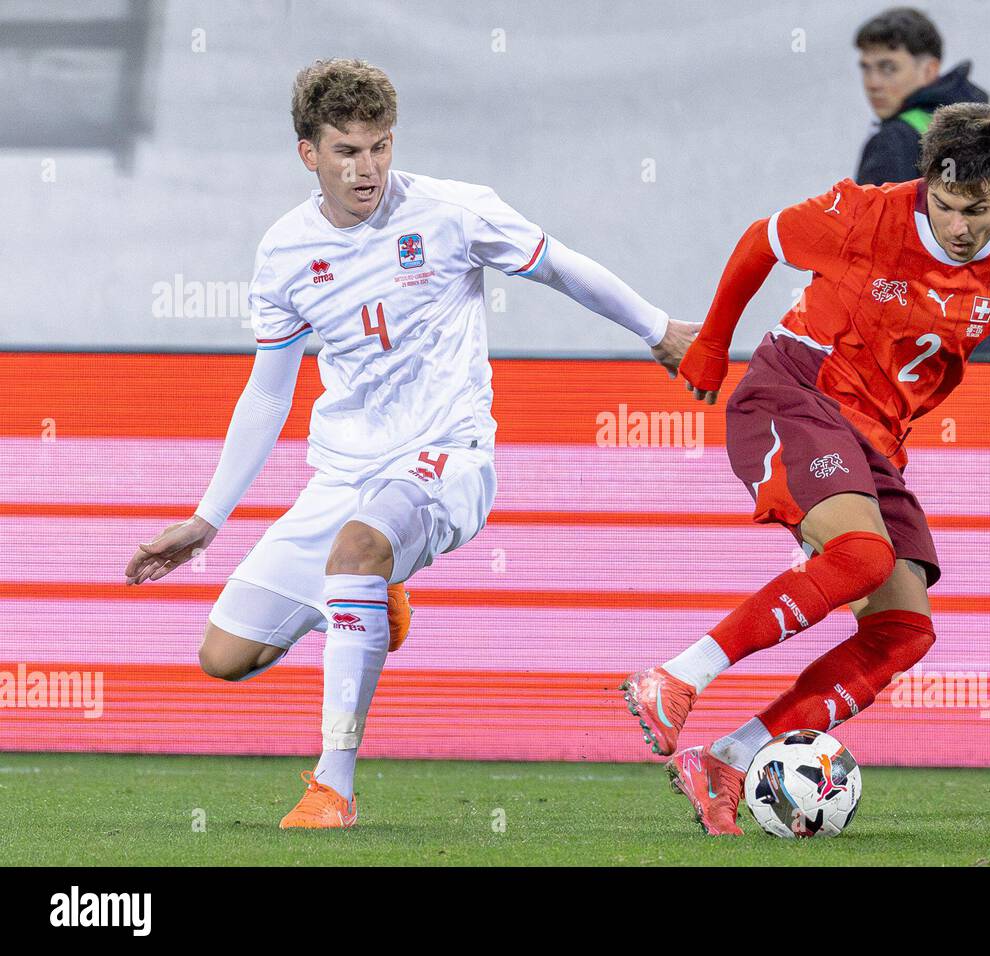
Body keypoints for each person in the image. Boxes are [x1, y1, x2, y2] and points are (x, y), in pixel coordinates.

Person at [123, 58, 695, 829]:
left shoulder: (453, 211)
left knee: (358, 548)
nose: (368, 169)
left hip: (448, 456)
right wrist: (208, 519)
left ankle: (334, 785)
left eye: (380, 146)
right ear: (308, 154)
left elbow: (558, 265)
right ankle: (373, 595)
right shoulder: (284, 251)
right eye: (347, 151)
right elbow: (269, 389)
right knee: (226, 655)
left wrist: (658, 332)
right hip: (343, 474)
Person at [622, 103, 990, 835]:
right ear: (924, 182)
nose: (957, 225)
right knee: (863, 556)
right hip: (792, 394)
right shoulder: (860, 213)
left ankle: (727, 759)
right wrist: (714, 345)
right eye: (942, 205)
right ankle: (677, 676)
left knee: (904, 629)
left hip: (877, 441)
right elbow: (762, 240)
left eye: (974, 209)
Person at [854, 7, 990, 232]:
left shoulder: (898, 138)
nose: (872, 83)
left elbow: (875, 241)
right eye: (866, 68)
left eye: (888, 68)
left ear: (929, 70)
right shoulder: (988, 133)